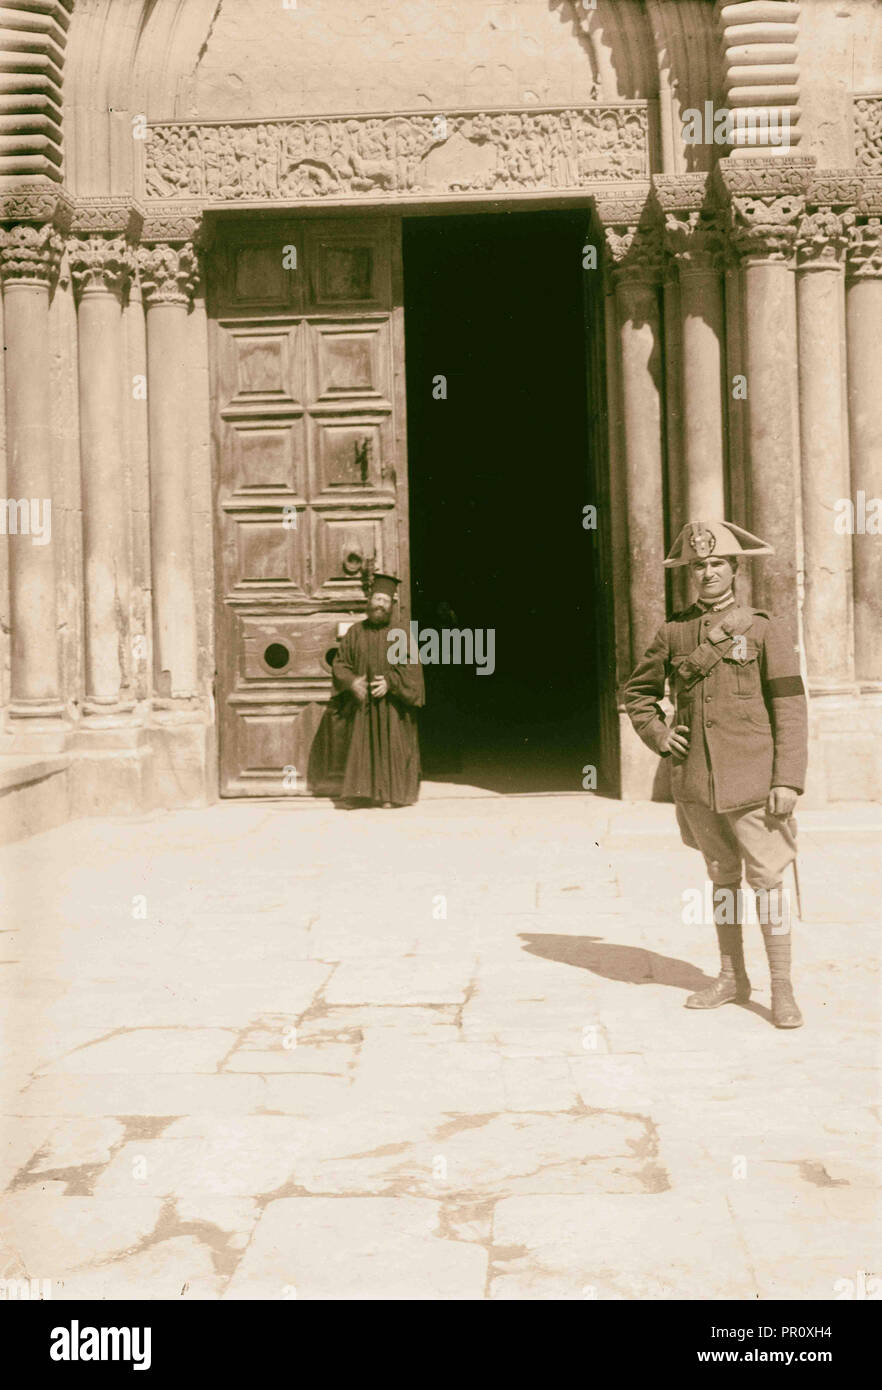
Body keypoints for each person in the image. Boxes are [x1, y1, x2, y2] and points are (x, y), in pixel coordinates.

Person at [623, 521, 808, 1028]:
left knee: (768, 881)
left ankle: (782, 989)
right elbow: (637, 695)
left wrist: (787, 778)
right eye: (698, 566)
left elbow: (790, 706)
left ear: (734, 569)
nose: (707, 572)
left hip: (754, 782)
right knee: (722, 879)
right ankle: (731, 976)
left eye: (716, 564)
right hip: (697, 781)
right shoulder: (674, 632)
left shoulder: (764, 628)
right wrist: (661, 737)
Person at [331, 573, 424, 807]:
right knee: (362, 748)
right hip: (363, 705)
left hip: (394, 706)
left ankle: (392, 796)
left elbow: (412, 668)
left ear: (391, 605)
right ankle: (361, 795)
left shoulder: (401, 633)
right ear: (369, 601)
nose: (380, 604)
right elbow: (340, 664)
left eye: (385, 600)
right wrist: (352, 682)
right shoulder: (355, 632)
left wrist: (390, 682)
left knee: (393, 747)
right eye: (377, 599)